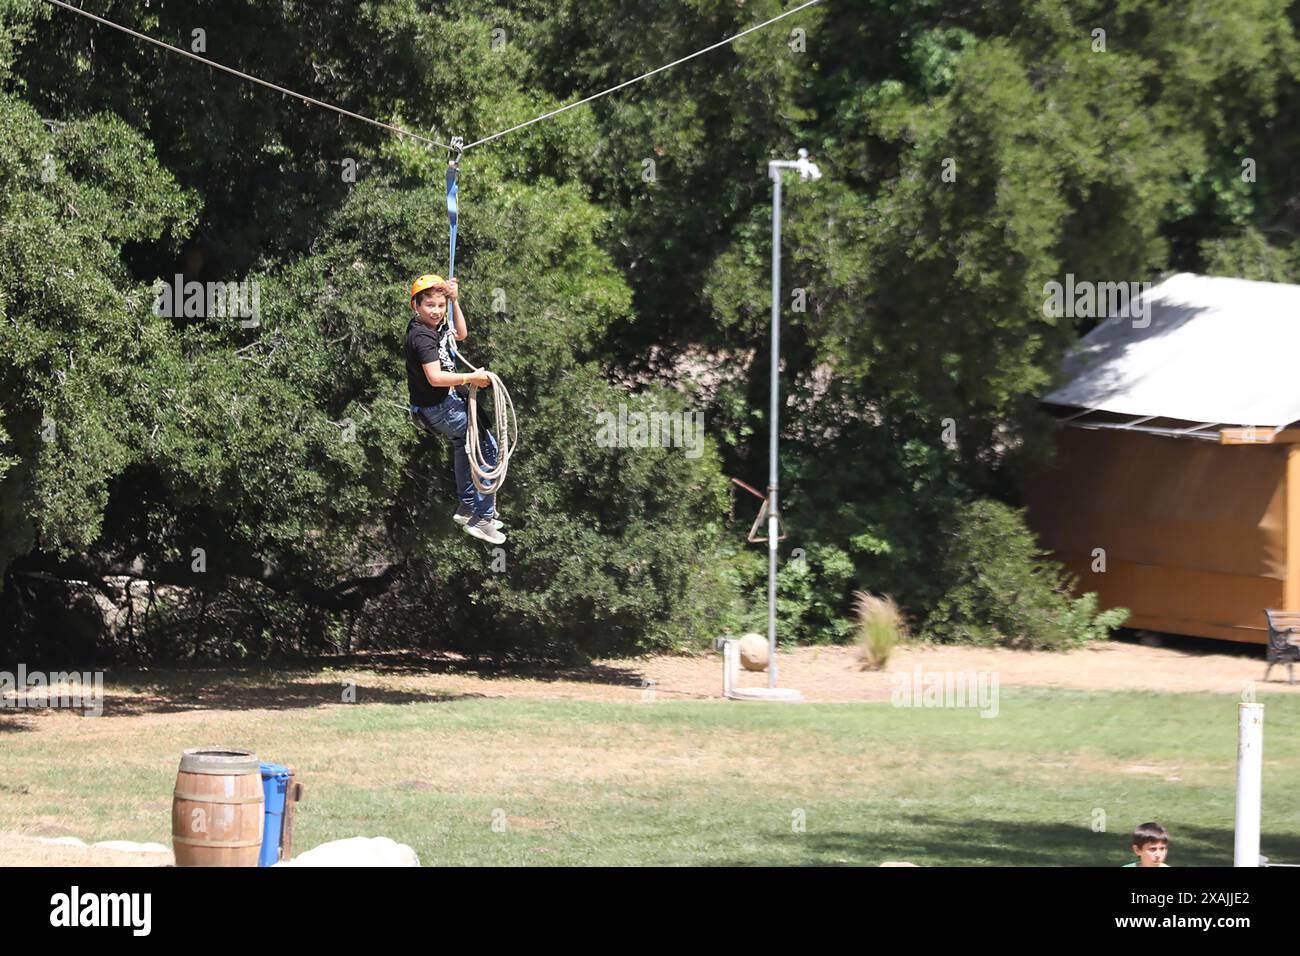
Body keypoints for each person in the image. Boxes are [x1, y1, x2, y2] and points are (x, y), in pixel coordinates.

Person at [405, 273, 505, 544]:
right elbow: (435, 378)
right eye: (430, 306)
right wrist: (470, 378)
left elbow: (461, 334)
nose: (436, 311)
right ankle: (482, 518)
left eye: (440, 305)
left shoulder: (434, 326)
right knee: (487, 447)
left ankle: (468, 507)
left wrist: (455, 302)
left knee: (465, 443)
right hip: (438, 407)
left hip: (434, 406)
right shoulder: (422, 337)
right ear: (416, 306)